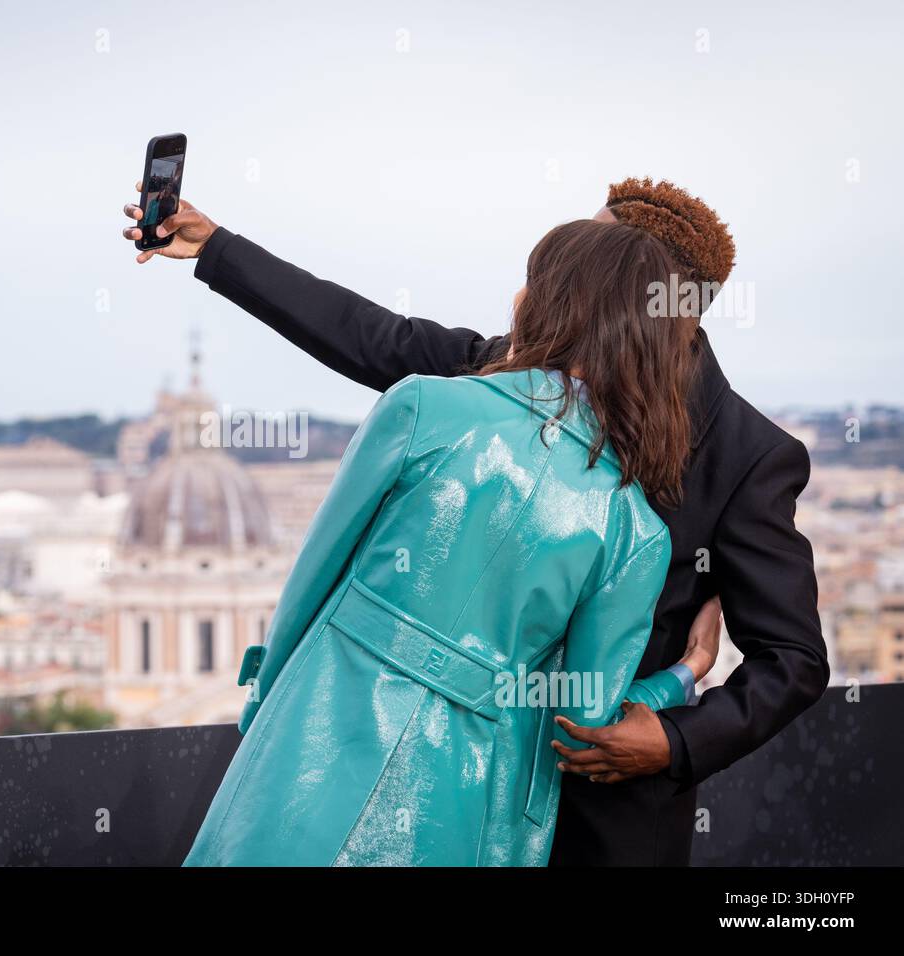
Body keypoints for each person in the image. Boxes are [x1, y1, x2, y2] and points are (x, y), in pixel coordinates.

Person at [120, 176, 830, 866]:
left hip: (603, 809)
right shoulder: (510, 370)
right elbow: (375, 337)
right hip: (455, 792)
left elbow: (794, 661)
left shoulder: (750, 455)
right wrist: (218, 249)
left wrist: (672, 742)